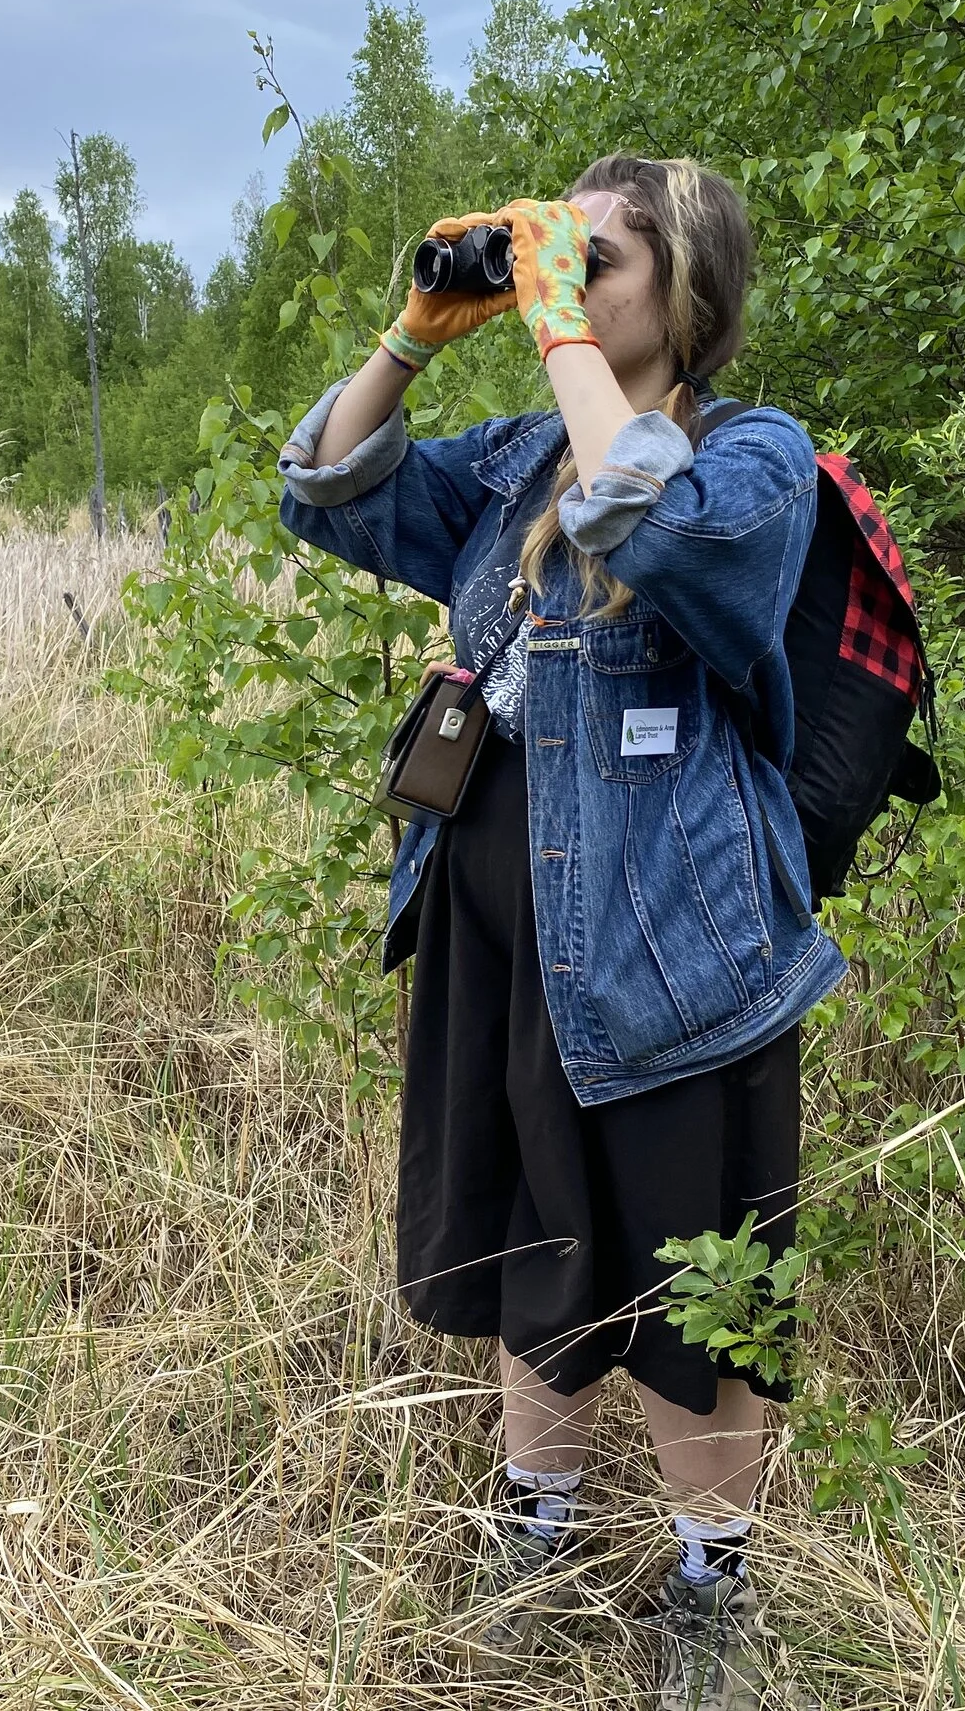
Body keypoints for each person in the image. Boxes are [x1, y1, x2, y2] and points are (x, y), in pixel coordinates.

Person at [275, 156, 841, 1708]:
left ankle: (715, 1579)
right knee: (537, 1237)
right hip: (506, 944)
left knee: (694, 1271)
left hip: (677, 961)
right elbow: (328, 491)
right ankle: (539, 1525)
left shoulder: (757, 457)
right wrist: (414, 330)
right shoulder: (524, 449)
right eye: (559, 249)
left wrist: (564, 343)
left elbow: (654, 522)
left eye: (607, 252)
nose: (572, 275)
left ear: (691, 287)